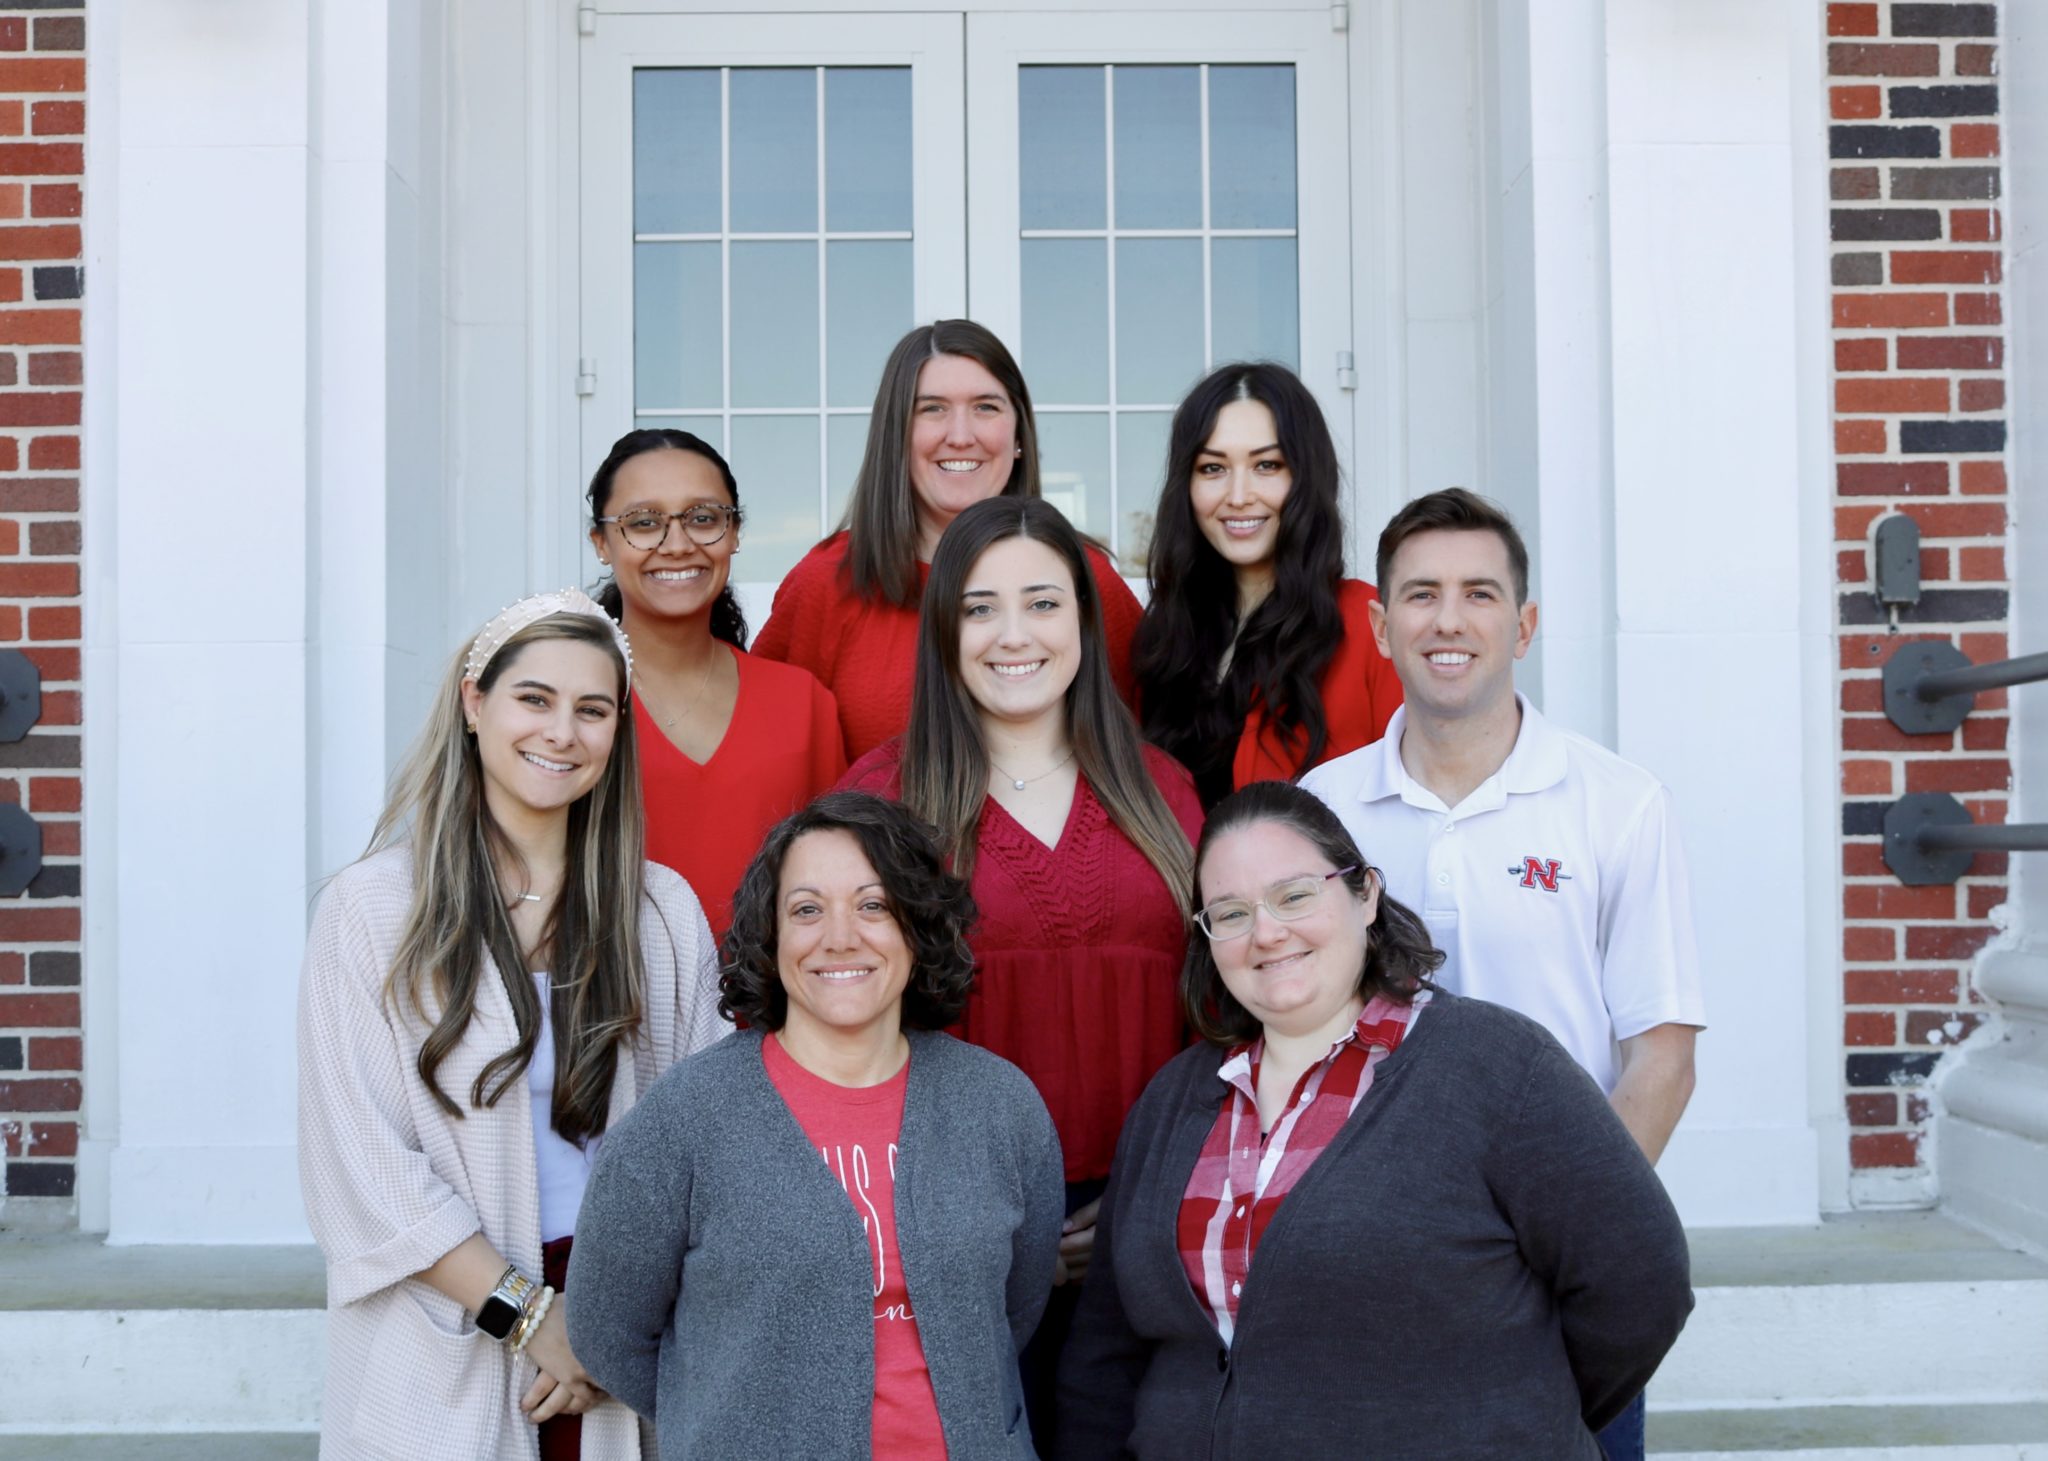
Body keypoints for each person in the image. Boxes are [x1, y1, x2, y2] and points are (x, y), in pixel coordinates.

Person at [1057, 781, 1693, 1458]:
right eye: (1231, 913)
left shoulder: (1498, 1066)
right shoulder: (1171, 1104)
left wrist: (1517, 1417)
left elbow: (1640, 1279)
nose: (1267, 931)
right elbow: (1106, 1353)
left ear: (1364, 894)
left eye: (1295, 895)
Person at [1299, 487, 1707, 1461]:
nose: (1448, 620)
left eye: (1479, 594)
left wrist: (1564, 1225)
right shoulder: (1320, 810)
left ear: (1522, 625)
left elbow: (1660, 1055)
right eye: (1420, 595)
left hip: (1565, 1260)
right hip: (1372, 1255)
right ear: (1377, 624)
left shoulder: (1616, 805)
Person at [298, 589, 726, 1461]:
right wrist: (533, 1316)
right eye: (535, 698)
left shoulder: (659, 912)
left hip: (623, 1316)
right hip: (450, 1315)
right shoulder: (374, 911)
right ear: (474, 701)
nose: (562, 731)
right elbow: (366, 1167)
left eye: (592, 709)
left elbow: (708, 1142)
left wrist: (611, 1324)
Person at [836, 494, 1203, 1442]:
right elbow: (838, 1031)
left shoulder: (1163, 791)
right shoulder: (881, 800)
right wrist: (987, 1216)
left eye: (1043, 603)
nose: (1014, 635)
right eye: (980, 606)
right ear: (945, 629)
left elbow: (1219, 1013)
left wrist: (1140, 1202)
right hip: (953, 1240)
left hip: (1154, 1225)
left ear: (1083, 619)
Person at [566, 792, 1065, 1460]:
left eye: (874, 904)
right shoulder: (684, 1120)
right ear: (770, 936)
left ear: (917, 923)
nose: (840, 936)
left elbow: (1012, 1309)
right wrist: (724, 1419)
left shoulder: (1000, 1105)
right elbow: (607, 1329)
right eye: (807, 909)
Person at [755, 319, 1145, 761]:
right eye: (932, 409)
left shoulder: (1082, 574)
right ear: (896, 435)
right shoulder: (826, 583)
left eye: (986, 407)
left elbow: (1140, 748)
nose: (960, 436)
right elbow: (771, 762)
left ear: (1018, 437)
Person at [586, 427, 845, 935]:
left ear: (734, 533)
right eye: (643, 522)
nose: (677, 544)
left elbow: (840, 877)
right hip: (607, 1000)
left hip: (773, 1005)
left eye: (703, 519)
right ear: (602, 542)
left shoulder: (802, 702)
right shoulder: (569, 702)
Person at [1132, 362, 1401, 808]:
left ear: (1306, 477)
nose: (1238, 495)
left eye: (1267, 465)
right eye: (1213, 468)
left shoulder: (1368, 622)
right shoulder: (1166, 638)